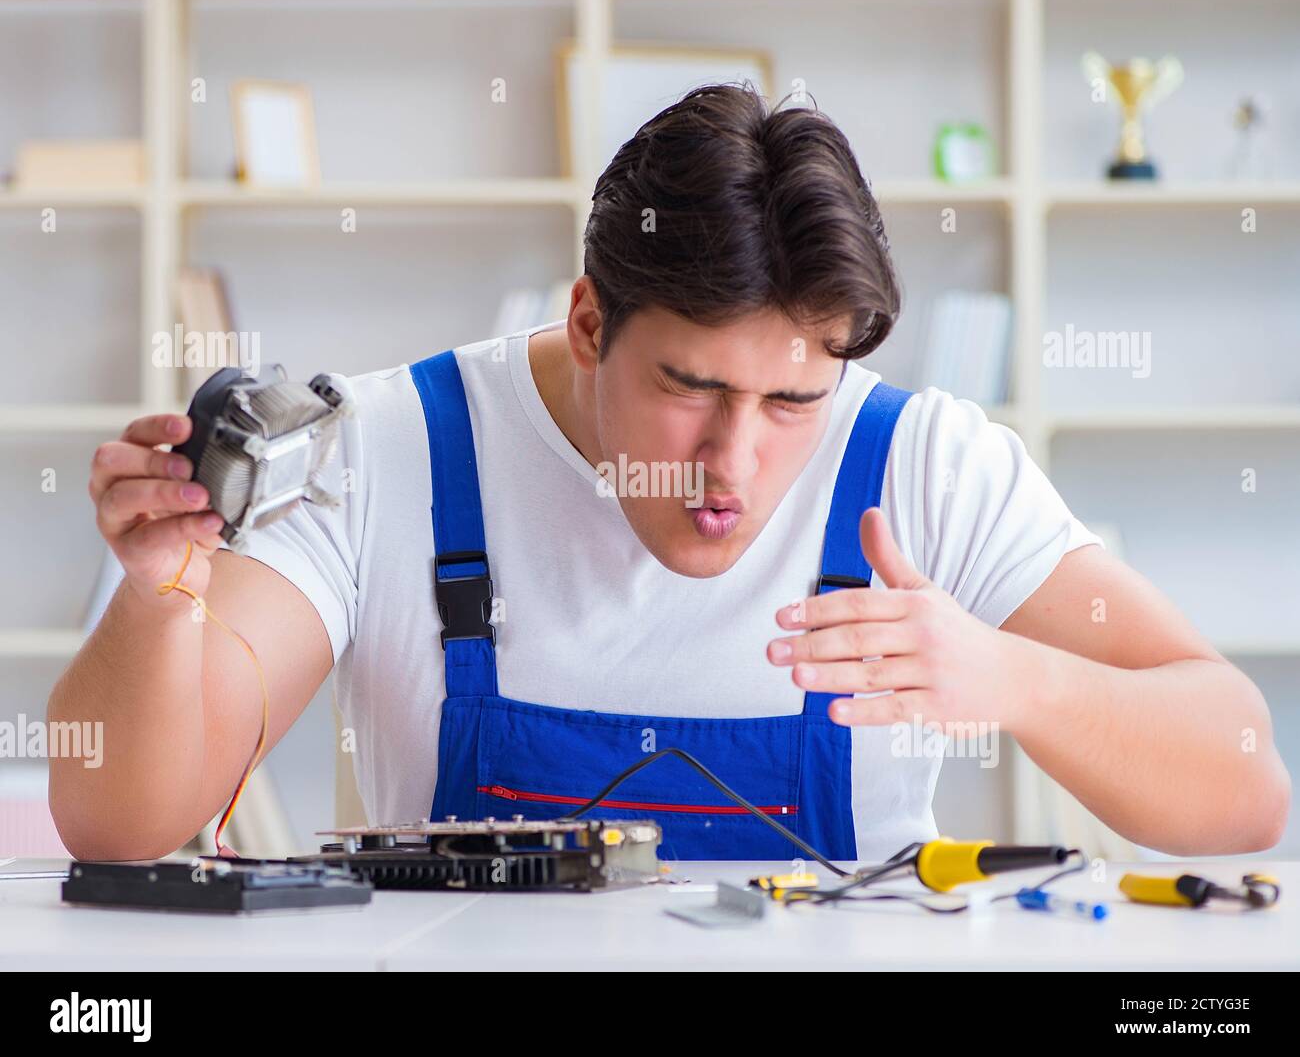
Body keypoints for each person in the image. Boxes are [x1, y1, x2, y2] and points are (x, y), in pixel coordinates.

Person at [49, 85, 1289, 863]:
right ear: (589, 322)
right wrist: (160, 596)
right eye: (691, 390)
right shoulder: (393, 448)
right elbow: (121, 823)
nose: (733, 466)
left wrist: (1007, 673)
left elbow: (1242, 785)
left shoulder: (929, 462)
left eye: (795, 401)